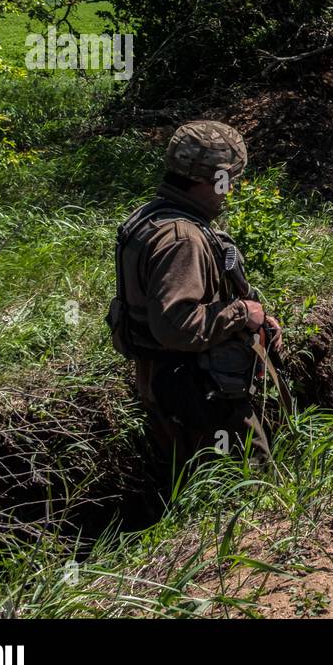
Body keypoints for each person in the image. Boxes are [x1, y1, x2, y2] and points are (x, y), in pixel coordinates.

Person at [107, 120, 282, 474]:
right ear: (215, 179)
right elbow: (177, 326)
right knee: (247, 492)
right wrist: (241, 314)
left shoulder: (153, 217)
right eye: (230, 178)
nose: (231, 188)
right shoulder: (182, 237)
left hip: (174, 387)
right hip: (199, 393)